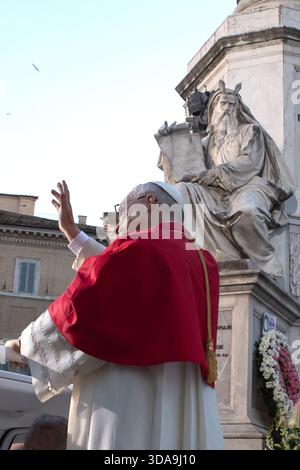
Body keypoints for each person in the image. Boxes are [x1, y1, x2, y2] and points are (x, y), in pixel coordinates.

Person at [4, 180, 224, 450]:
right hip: (182, 398)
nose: (119, 225)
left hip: (131, 401)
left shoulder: (142, 249)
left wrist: (25, 345)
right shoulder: (200, 260)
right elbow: (124, 274)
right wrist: (73, 233)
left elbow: (89, 301)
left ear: (149, 203)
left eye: (123, 210)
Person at [157, 81, 295, 279]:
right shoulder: (205, 142)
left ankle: (265, 260)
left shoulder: (250, 131)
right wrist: (169, 146)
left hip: (247, 186)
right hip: (214, 191)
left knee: (247, 212)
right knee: (181, 191)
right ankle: (197, 257)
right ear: (213, 110)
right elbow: (184, 170)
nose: (228, 109)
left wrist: (213, 174)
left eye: (232, 105)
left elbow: (250, 163)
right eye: (223, 104)